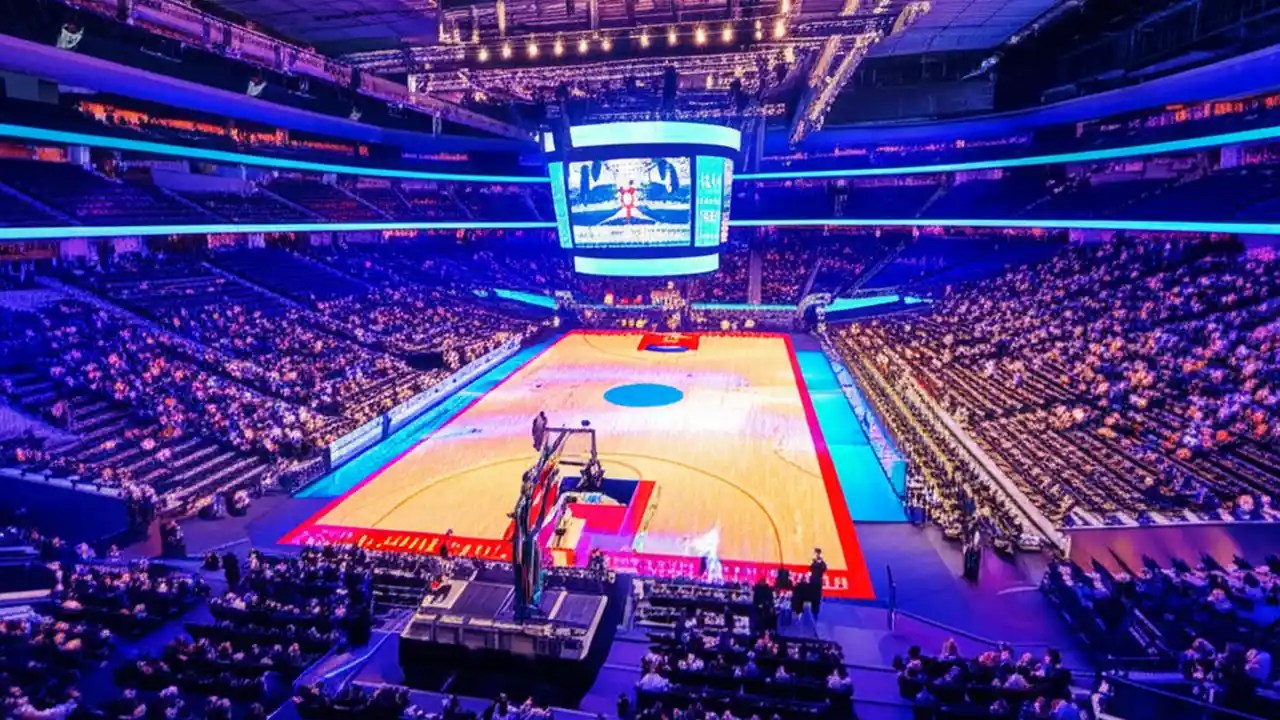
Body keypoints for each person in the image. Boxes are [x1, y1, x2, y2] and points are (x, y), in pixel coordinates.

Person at [809, 548, 827, 617]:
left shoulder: (820, 562)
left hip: (817, 581)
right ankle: (813, 610)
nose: (814, 554)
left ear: (817, 553)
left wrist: (819, 562)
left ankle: (815, 611)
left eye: (815, 553)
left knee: (816, 597)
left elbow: (824, 569)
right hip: (813, 580)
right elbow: (811, 568)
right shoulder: (815, 561)